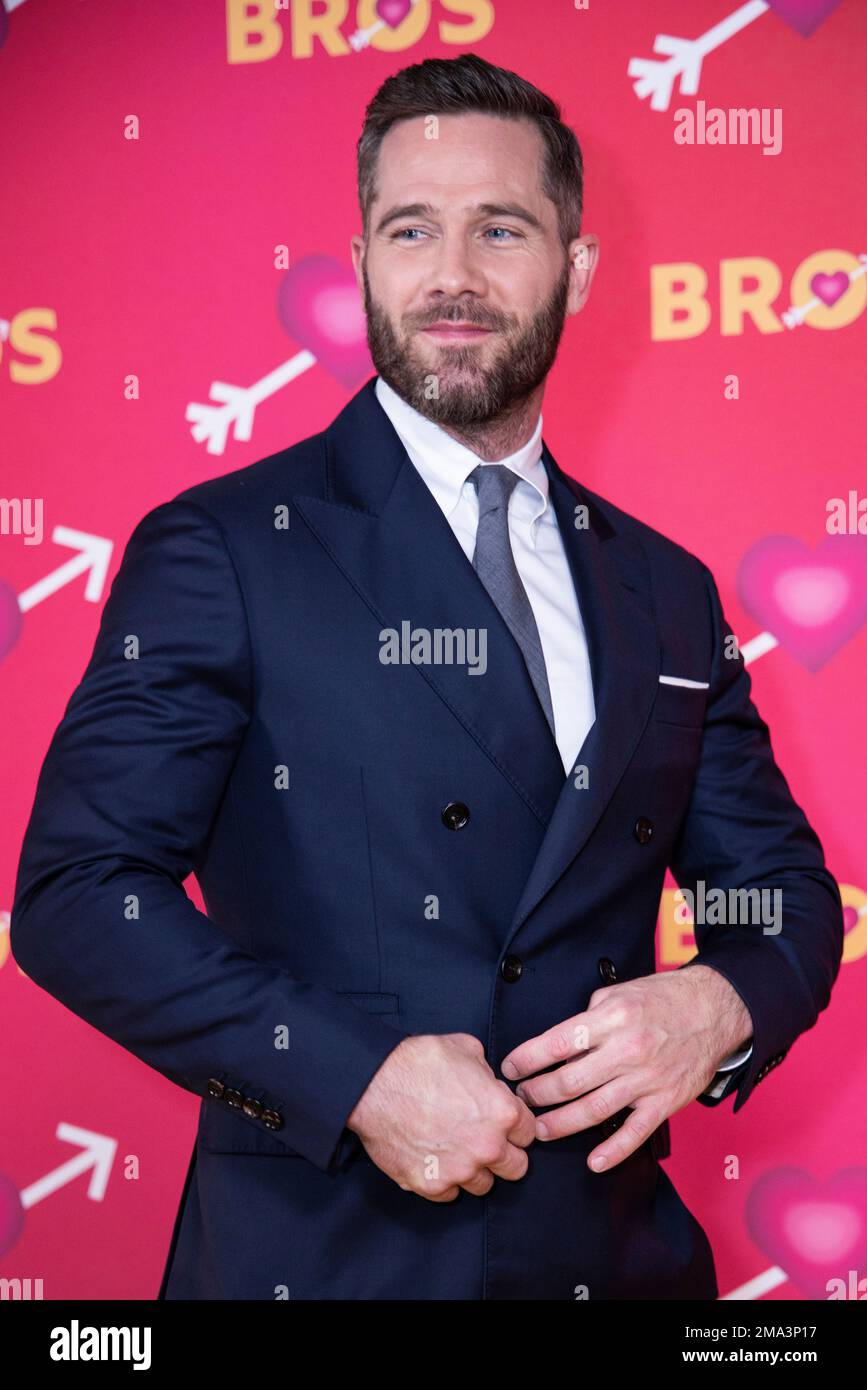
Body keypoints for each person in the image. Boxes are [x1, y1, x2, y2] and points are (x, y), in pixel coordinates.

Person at [11, 53, 843, 1301]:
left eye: (500, 228)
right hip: (326, 1261)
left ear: (577, 269)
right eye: (412, 229)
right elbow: (79, 893)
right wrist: (353, 1077)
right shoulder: (227, 547)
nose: (451, 275)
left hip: (616, 1266)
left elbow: (777, 889)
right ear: (361, 268)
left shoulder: (666, 587)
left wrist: (722, 999)